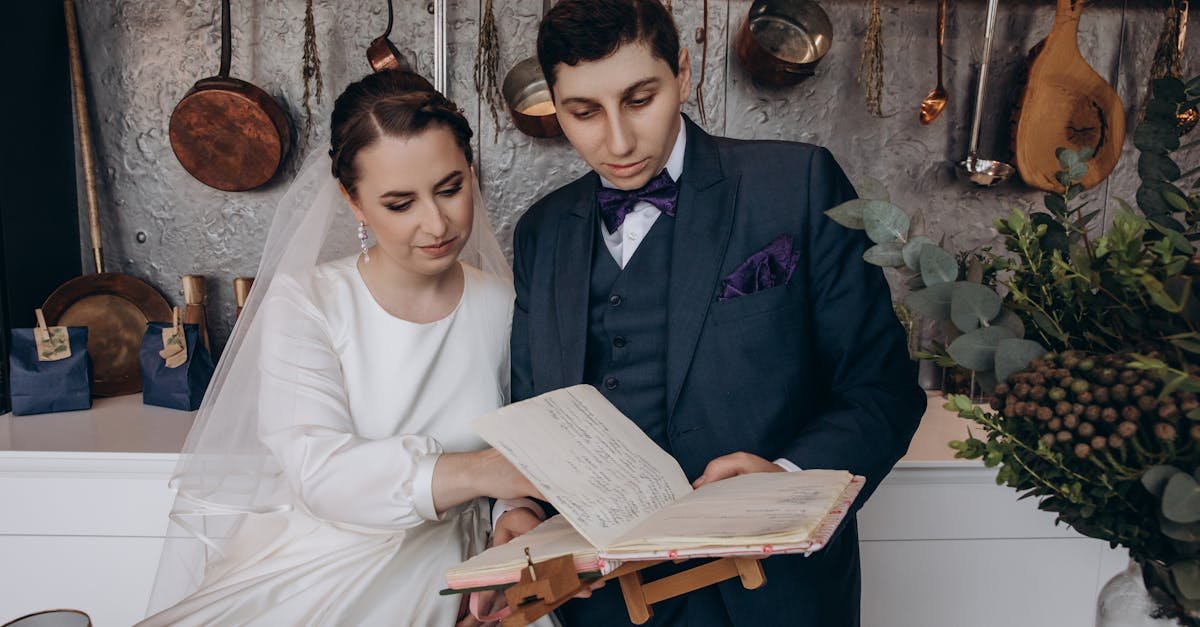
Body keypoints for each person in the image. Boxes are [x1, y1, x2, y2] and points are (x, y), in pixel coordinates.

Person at [498, 1, 927, 625]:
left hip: (772, 593)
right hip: (605, 601)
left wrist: (785, 479)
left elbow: (882, 389)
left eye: (640, 99)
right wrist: (520, 512)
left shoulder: (796, 184)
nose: (616, 141)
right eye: (583, 112)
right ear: (556, 103)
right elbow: (537, 414)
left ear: (684, 73)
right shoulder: (542, 230)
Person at [140, 69, 544, 627]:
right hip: (326, 565)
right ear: (353, 202)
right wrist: (481, 473)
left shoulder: (505, 304)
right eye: (400, 203)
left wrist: (513, 513)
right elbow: (319, 473)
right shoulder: (307, 302)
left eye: (451, 188)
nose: (436, 222)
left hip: (465, 569)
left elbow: (521, 446)